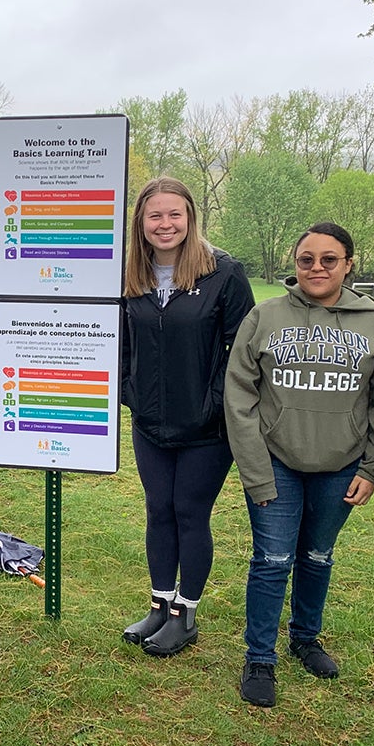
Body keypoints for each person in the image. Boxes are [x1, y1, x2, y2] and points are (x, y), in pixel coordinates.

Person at [224, 222, 374, 707]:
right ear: (294, 264)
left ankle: (304, 637)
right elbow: (239, 399)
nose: (316, 268)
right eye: (306, 260)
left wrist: (372, 468)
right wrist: (255, 471)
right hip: (276, 464)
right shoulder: (265, 317)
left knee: (317, 557)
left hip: (342, 466)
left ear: (348, 264)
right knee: (273, 560)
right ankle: (260, 657)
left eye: (329, 259)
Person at [119, 177, 255, 656]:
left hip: (207, 428)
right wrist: (128, 389)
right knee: (158, 510)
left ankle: (185, 615)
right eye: (155, 215)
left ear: (191, 217)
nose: (165, 224)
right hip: (150, 422)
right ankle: (158, 605)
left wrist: (213, 403)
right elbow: (120, 343)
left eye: (174, 214)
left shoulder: (224, 273)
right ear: (141, 222)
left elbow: (243, 351)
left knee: (189, 512)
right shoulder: (129, 275)